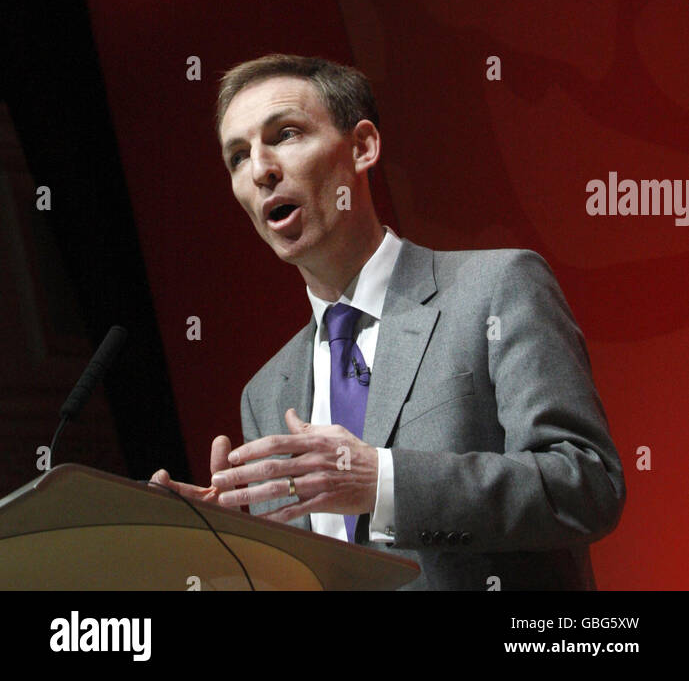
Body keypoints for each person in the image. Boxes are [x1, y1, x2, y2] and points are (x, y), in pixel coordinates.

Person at [152, 53, 625, 590]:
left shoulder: (495, 287)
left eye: (284, 134)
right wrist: (245, 555)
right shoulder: (265, 393)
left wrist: (383, 482)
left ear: (362, 147)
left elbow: (586, 485)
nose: (260, 170)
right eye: (237, 156)